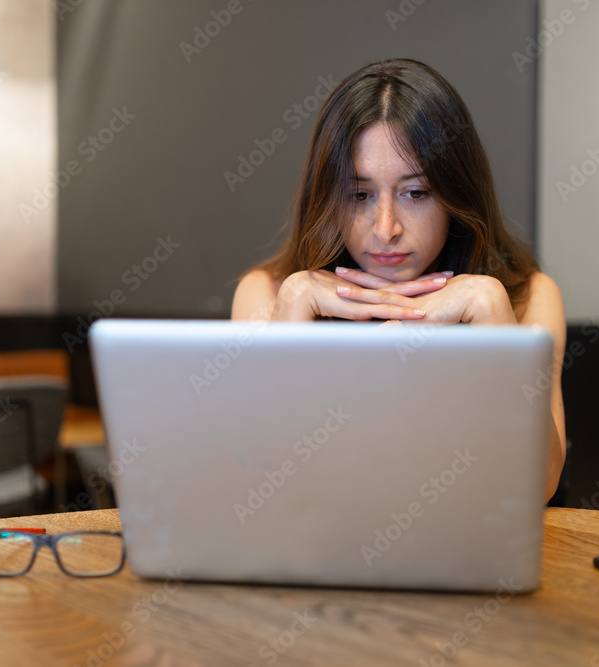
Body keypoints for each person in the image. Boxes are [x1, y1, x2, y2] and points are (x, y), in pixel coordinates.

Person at [231, 59, 566, 500]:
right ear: (329, 198)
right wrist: (293, 311)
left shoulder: (527, 297)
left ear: (455, 193)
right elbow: (256, 481)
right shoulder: (268, 293)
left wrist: (493, 317)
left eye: (416, 193)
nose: (386, 228)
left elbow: (538, 486)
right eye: (359, 195)